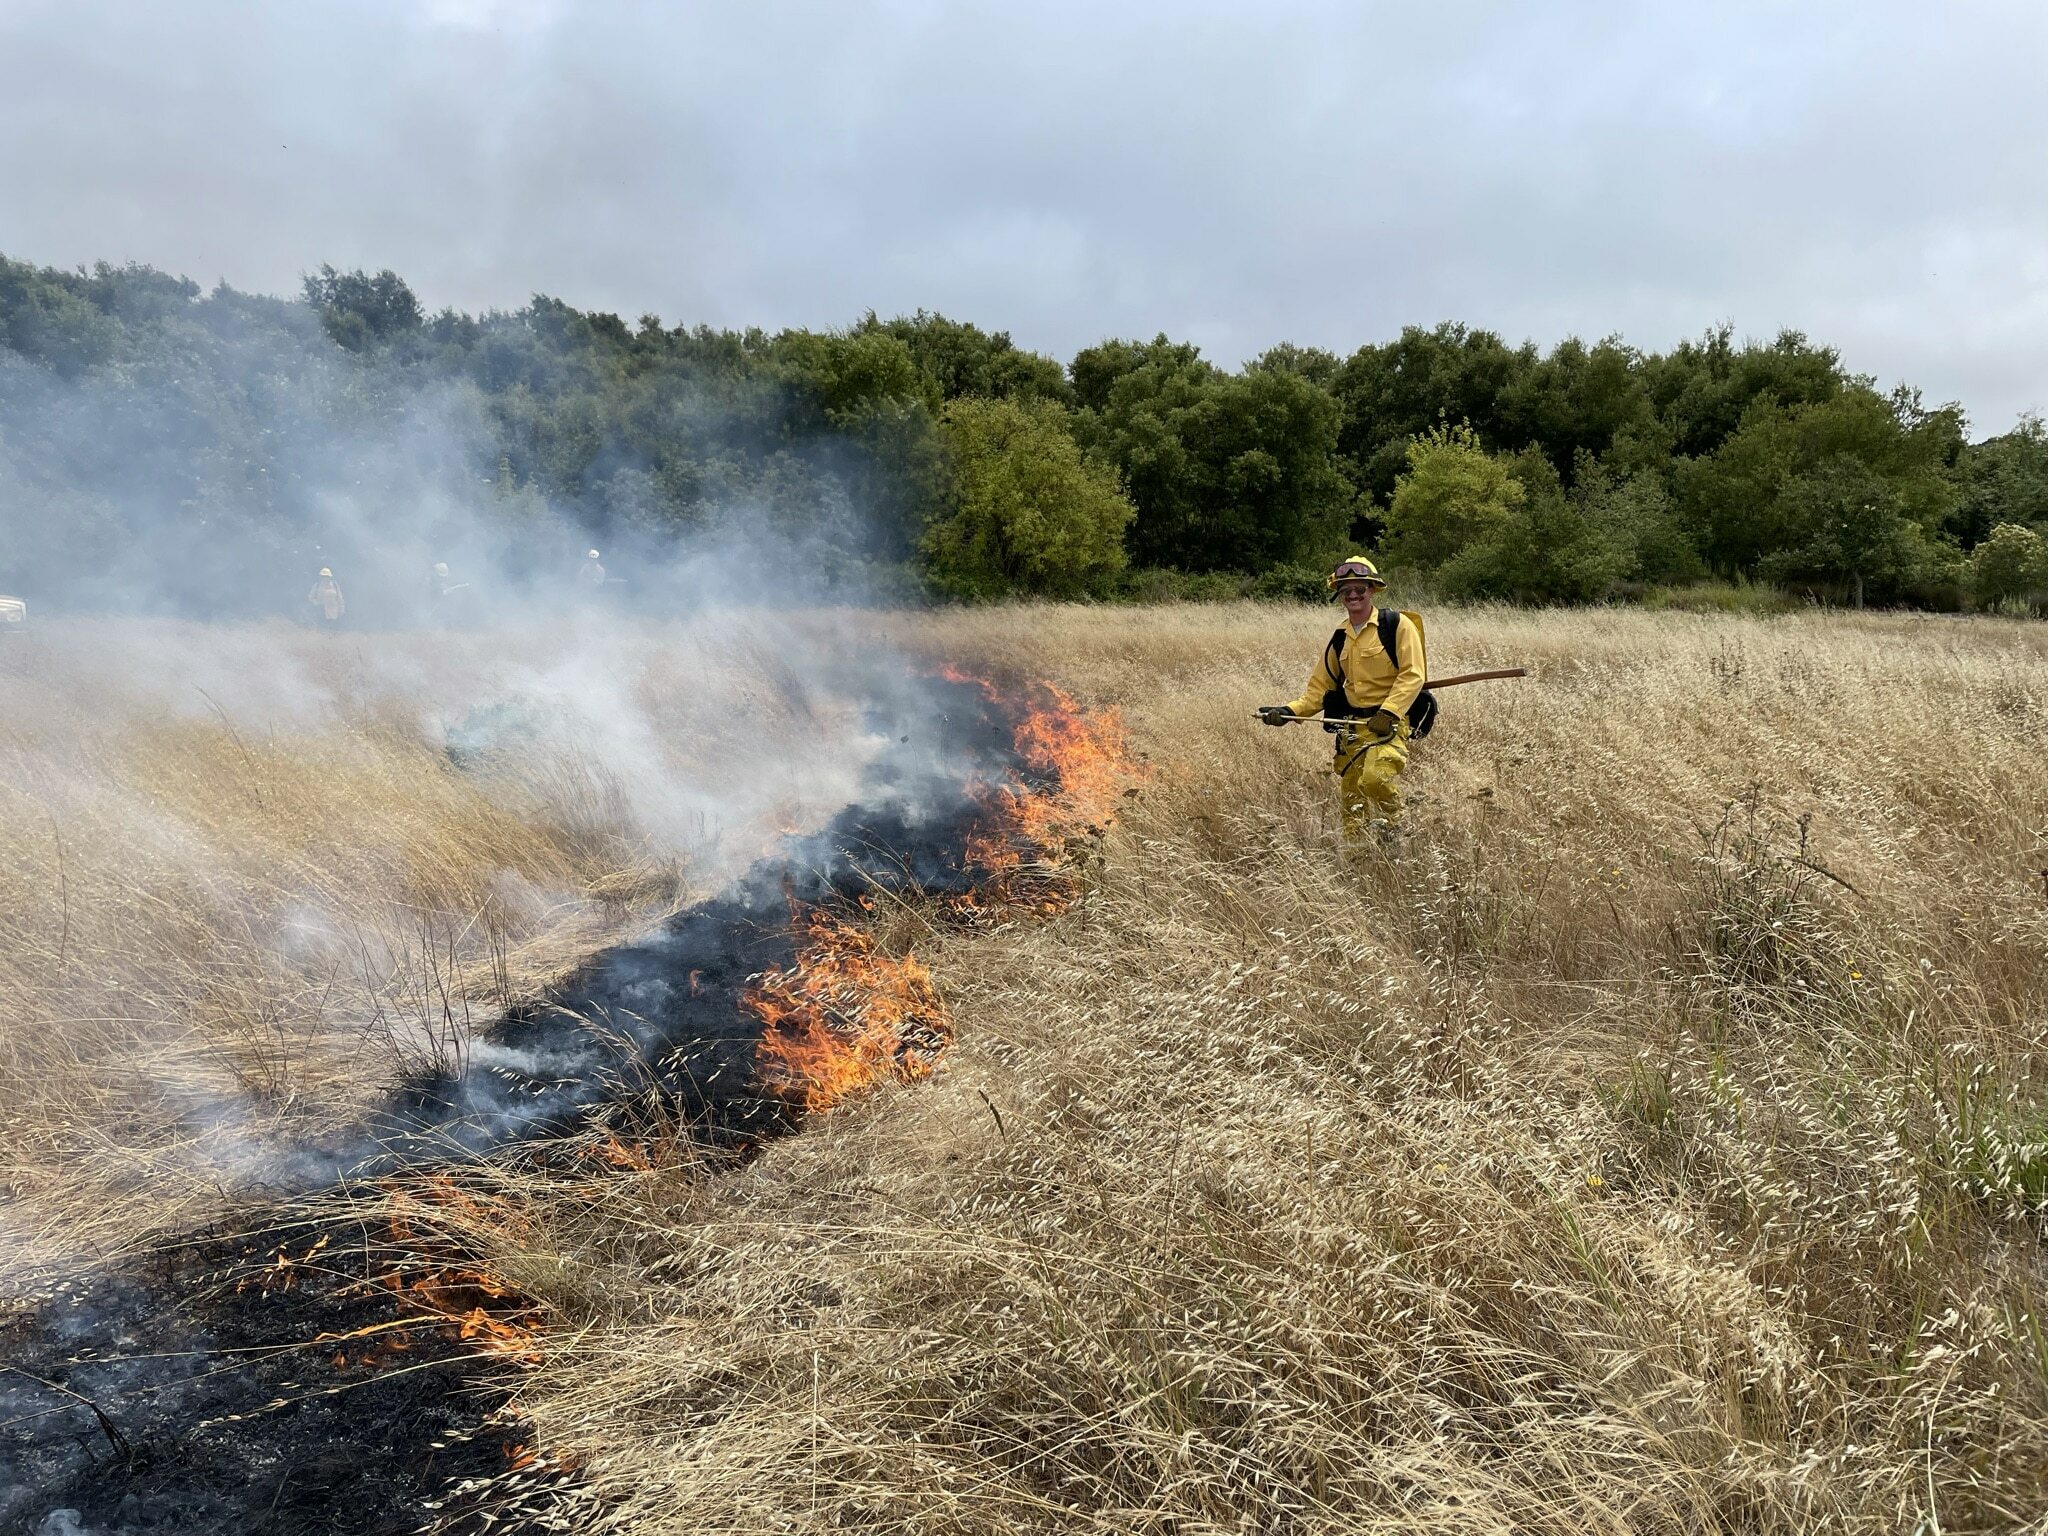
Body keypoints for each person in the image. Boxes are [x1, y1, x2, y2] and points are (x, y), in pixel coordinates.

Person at [1258, 555, 1425, 849]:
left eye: (1360, 588)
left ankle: (1395, 831)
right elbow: (1319, 690)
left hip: (1388, 726)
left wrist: (1388, 712)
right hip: (1350, 729)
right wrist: (1288, 711)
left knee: (1375, 779)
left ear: (1372, 590)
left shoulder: (1397, 625)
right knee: (1352, 802)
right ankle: (1359, 863)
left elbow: (1413, 675)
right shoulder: (1340, 637)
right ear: (1339, 594)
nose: (1353, 595)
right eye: (1346, 590)